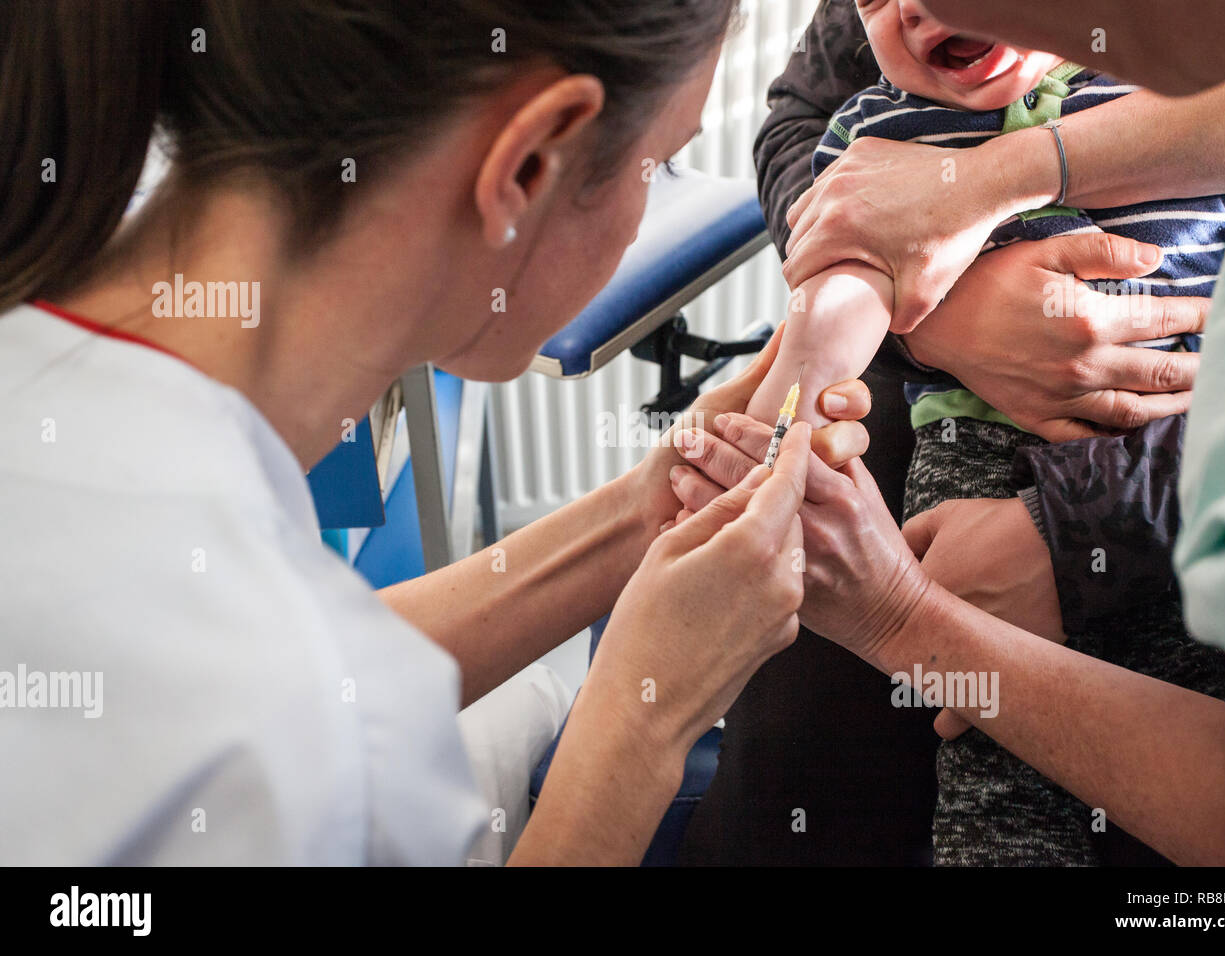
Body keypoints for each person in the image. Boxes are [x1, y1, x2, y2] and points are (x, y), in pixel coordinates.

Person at [0, 0, 878, 866]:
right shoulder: (323, 768)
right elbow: (303, 710)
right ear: (530, 163)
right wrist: (646, 720)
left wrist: (640, 516)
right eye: (663, 165)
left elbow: (269, 676)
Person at [673, 0, 1225, 866]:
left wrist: (1081, 522)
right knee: (965, 774)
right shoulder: (883, 126)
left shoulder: (1207, 84)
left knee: (1214, 755)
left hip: (1211, 451)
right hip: (968, 458)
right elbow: (829, 224)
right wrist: (919, 318)